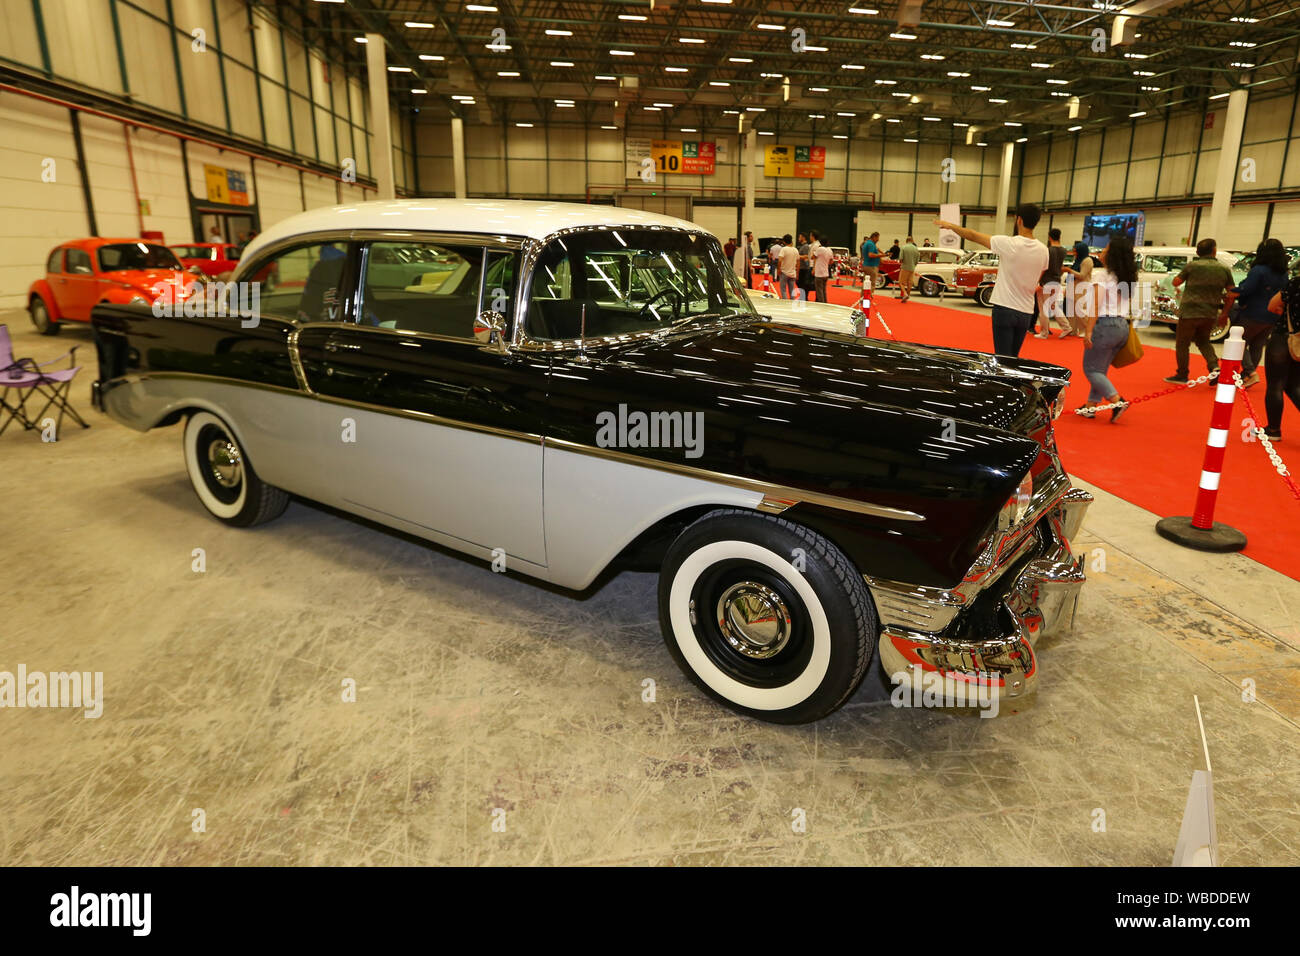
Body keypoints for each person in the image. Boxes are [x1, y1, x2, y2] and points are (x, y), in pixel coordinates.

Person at [934, 203, 1049, 357]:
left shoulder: (1009, 243)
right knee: (1013, 358)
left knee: (1002, 358)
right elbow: (1038, 277)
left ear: (1019, 220)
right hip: (1026, 311)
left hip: (1005, 308)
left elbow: (973, 235)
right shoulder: (1043, 250)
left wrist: (951, 226)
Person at [1075, 236, 1137, 422]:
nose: (1102, 251)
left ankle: (1117, 401)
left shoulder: (1102, 275)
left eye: (1106, 248)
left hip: (1105, 325)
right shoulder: (1127, 276)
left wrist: (1088, 331)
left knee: (1091, 370)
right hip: (1122, 326)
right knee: (1099, 369)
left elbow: (1095, 306)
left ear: (1112, 254)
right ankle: (1090, 407)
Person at [1164, 238, 1232, 384]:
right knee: (1203, 342)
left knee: (1182, 344)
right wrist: (1225, 313)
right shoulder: (1224, 269)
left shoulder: (1192, 266)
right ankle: (1214, 367)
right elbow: (1231, 293)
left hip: (1189, 312)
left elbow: (1176, 282)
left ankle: (1182, 374)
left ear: (1197, 252)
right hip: (1210, 312)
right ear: (1214, 250)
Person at [1229, 238, 1288, 388]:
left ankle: (1250, 373)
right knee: (1257, 345)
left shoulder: (1259, 270)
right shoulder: (1283, 273)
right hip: (1273, 315)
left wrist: (1233, 292)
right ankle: (1248, 375)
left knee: (1239, 343)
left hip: (1254, 312)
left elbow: (1247, 289)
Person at [1264, 278, 1300, 440]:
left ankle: (1273, 430)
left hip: (1285, 336)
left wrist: (1285, 311)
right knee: (1294, 385)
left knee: (1275, 385)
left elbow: (1272, 305)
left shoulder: (1296, 282)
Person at [1034, 227, 1072, 338]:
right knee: (1054, 306)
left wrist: (1038, 282)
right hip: (1056, 281)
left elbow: (1044, 268)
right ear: (1059, 237)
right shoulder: (1063, 250)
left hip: (1046, 281)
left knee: (1043, 308)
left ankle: (1044, 332)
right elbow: (1060, 267)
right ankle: (1066, 327)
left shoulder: (1048, 250)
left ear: (1049, 237)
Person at [1060, 240, 1092, 336]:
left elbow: (1082, 275)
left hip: (1081, 288)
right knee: (1071, 311)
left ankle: (1086, 329)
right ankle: (1072, 329)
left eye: (1075, 251)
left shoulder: (1087, 260)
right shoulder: (1078, 260)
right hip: (1073, 287)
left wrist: (1069, 270)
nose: (1074, 253)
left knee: (1080, 310)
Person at [811, 230, 832, 302]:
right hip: (826, 273)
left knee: (819, 291)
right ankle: (825, 303)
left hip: (819, 273)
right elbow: (831, 261)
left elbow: (812, 257)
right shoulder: (829, 250)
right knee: (824, 290)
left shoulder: (820, 249)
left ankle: (821, 304)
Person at [897, 236, 919, 303]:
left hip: (905, 267)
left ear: (906, 241)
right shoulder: (916, 248)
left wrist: (901, 263)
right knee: (910, 283)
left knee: (901, 282)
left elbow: (901, 259)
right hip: (912, 268)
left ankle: (905, 294)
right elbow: (917, 260)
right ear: (912, 241)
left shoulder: (903, 247)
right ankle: (907, 296)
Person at [778, 233, 800, 299]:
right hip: (793, 273)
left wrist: (778, 269)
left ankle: (785, 303)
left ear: (784, 241)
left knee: (783, 290)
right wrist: (797, 272)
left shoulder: (784, 249)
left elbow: (780, 260)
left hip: (784, 272)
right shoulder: (795, 250)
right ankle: (792, 302)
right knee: (792, 290)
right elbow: (798, 262)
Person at [796, 232, 814, 298]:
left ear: (803, 237)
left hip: (804, 268)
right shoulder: (802, 246)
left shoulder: (806, 246)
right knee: (800, 283)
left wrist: (798, 256)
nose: (798, 238)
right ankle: (803, 296)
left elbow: (807, 256)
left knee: (803, 284)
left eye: (800, 237)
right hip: (802, 267)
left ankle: (804, 297)